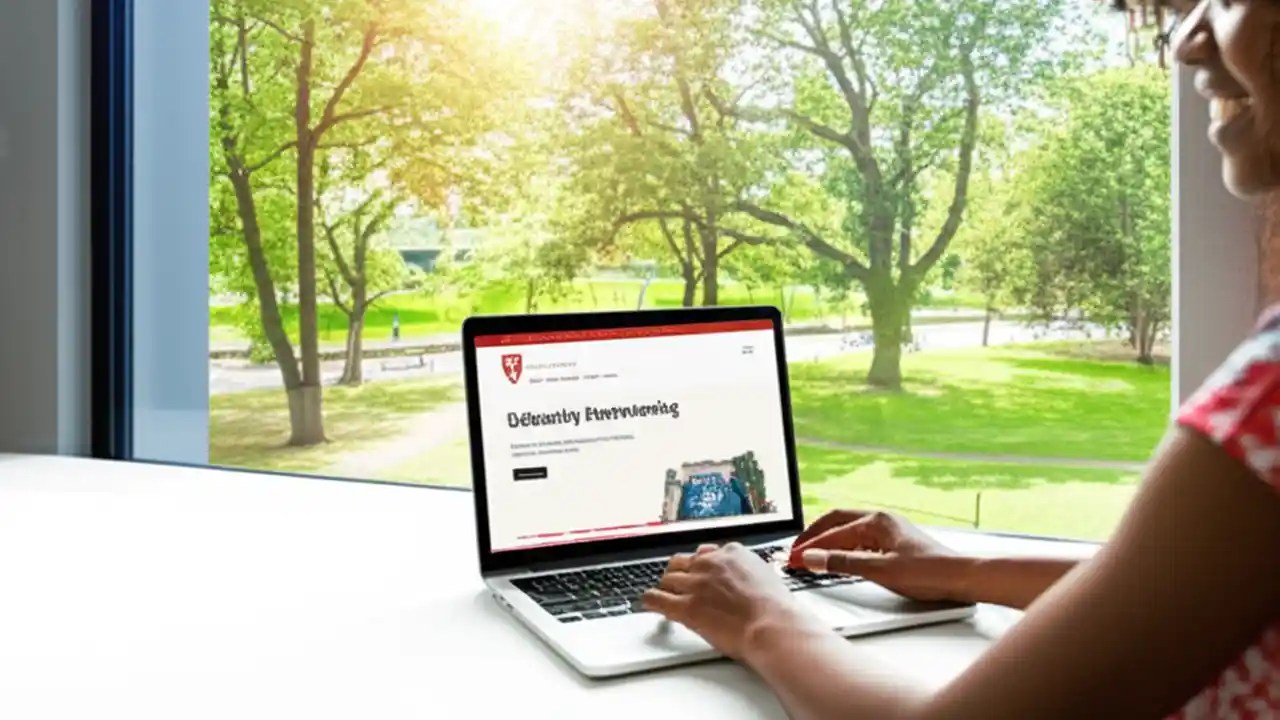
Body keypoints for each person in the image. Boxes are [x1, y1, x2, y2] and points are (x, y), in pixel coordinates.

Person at [641, 2, 1280, 717]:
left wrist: (762, 616)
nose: (1188, 45)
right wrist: (957, 570)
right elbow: (1184, 587)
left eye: (1223, 0)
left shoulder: (1268, 409)